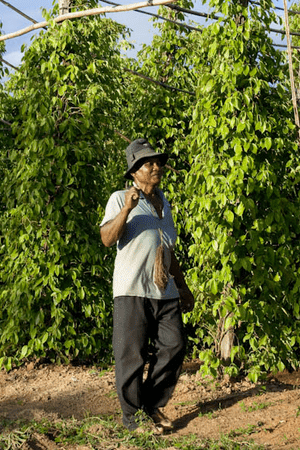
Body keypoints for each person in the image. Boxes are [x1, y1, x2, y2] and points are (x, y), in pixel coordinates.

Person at [99, 138, 194, 433]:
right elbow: (107, 238)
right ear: (133, 172)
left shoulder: (163, 202)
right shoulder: (119, 198)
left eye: (157, 161)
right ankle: (133, 417)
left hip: (163, 290)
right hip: (131, 290)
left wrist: (182, 284)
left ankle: (151, 406)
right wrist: (127, 209)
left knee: (175, 344)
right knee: (132, 355)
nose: (156, 167)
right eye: (147, 163)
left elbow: (168, 249)